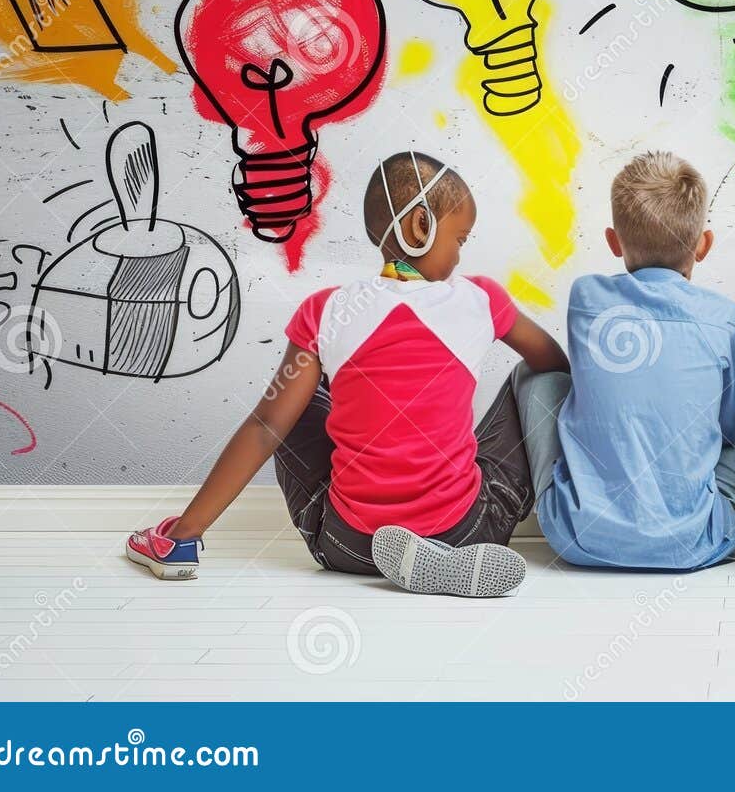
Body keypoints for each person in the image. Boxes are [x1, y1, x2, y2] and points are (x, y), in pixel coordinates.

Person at [125, 151, 570, 597]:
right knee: (531, 379)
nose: (458, 256)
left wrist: (186, 530)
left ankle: (181, 540)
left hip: (349, 545)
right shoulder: (482, 300)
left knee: (288, 405)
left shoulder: (326, 310)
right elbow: (553, 363)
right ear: (421, 226)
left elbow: (264, 429)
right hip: (467, 529)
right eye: (460, 239)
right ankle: (453, 547)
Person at [517, 151, 735, 570]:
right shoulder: (721, 315)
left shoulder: (585, 297)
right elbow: (728, 426)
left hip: (576, 536)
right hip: (696, 542)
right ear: (704, 245)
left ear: (613, 241)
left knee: (533, 377)